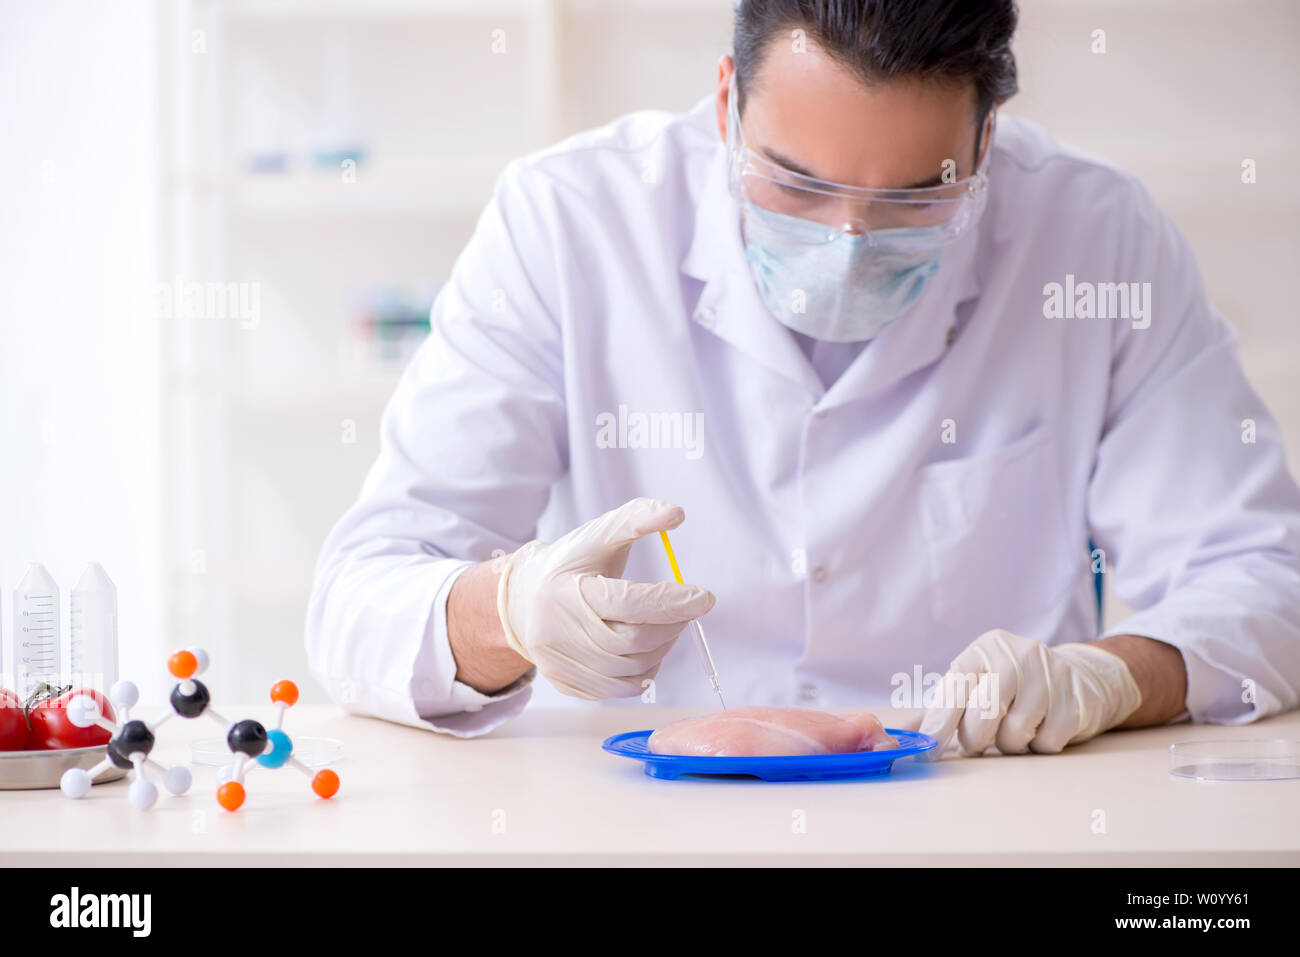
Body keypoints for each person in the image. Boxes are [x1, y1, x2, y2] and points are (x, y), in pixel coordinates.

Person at [306, 0, 1300, 756]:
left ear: (983, 144)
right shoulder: (568, 222)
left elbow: (1264, 580)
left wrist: (1110, 678)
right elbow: (356, 601)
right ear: (727, 103)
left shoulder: (1094, 237)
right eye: (795, 183)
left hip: (981, 809)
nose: (845, 242)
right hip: (639, 821)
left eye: (913, 197)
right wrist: (509, 610)